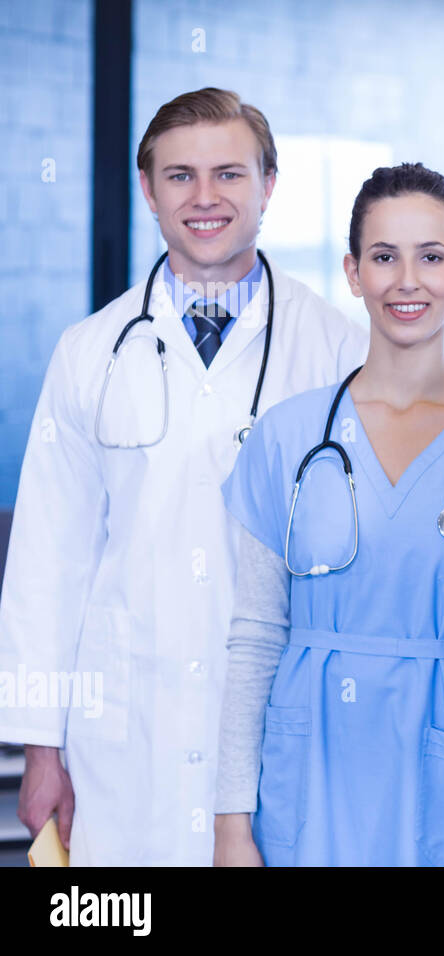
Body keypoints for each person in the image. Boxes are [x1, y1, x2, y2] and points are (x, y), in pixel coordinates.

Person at [0, 88, 368, 865]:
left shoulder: (335, 350)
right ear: (148, 190)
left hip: (277, 732)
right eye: (180, 177)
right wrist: (39, 749)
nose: (205, 199)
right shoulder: (88, 351)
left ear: (269, 184)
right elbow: (46, 558)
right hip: (121, 740)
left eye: (229, 174)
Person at [212, 163, 444, 866]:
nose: (407, 280)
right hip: (312, 780)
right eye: (384, 256)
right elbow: (253, 638)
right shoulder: (289, 437)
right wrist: (230, 823)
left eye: (432, 256)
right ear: (353, 272)